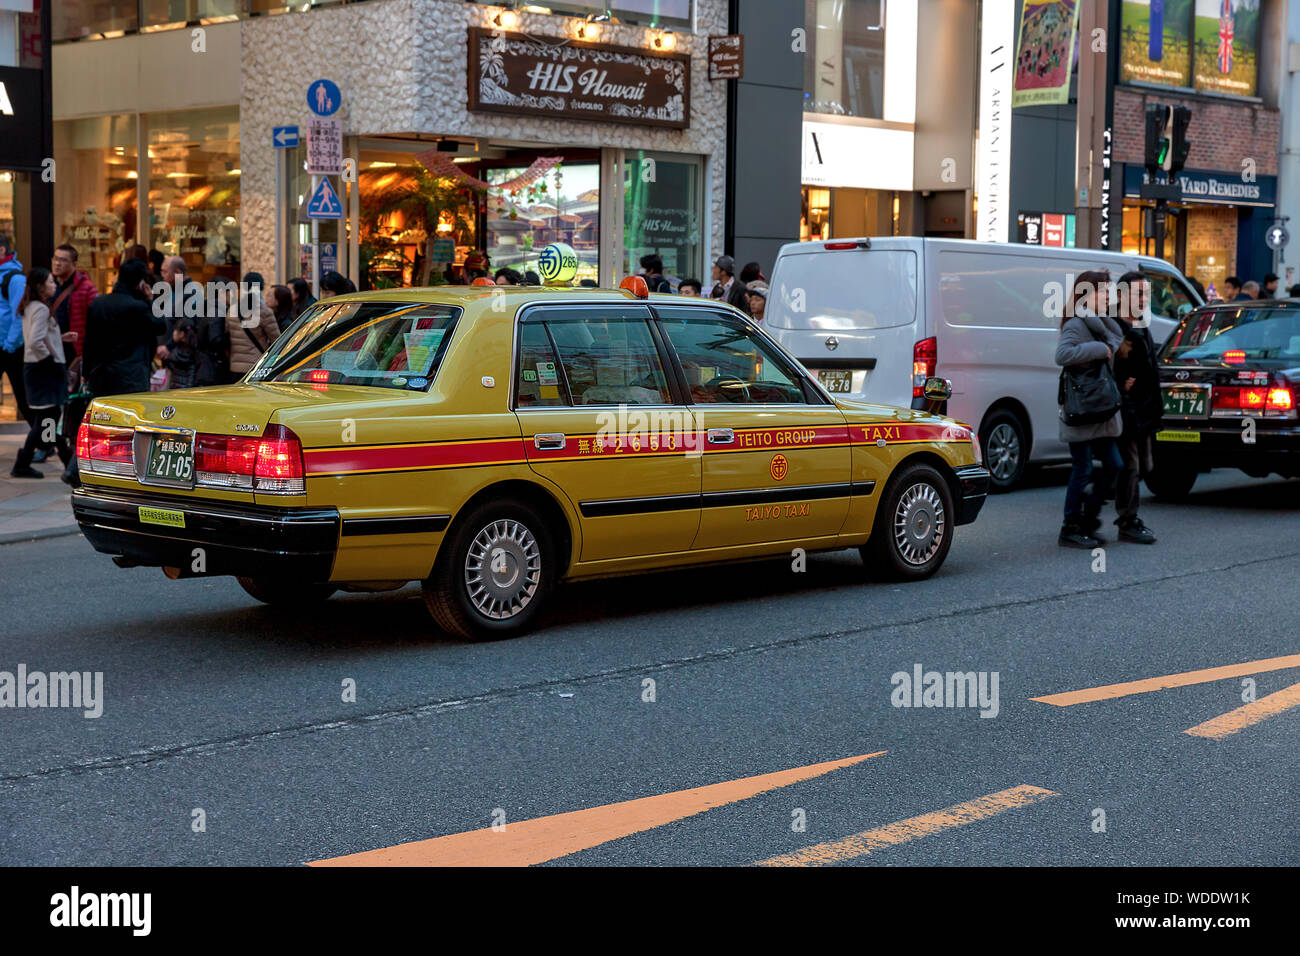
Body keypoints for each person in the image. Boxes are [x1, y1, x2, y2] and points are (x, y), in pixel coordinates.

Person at [1055, 270, 1124, 549]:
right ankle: (1070, 526)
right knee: (1082, 468)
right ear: (1087, 294)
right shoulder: (1076, 324)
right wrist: (1097, 349)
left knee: (1114, 465)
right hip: (1083, 407)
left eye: (1109, 291)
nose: (1109, 296)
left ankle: (1088, 517)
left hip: (1101, 406)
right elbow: (1062, 355)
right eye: (1104, 291)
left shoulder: (1102, 323)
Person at [1110, 272, 1160, 545]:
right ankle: (1127, 520)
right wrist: (1120, 386)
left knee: (1143, 466)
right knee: (1130, 465)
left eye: (1145, 295)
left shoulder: (1141, 324)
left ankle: (1125, 514)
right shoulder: (1114, 328)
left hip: (1143, 409)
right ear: (1121, 295)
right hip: (1123, 410)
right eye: (1138, 294)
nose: (1143, 300)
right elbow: (1105, 368)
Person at [11, 269, 75, 478]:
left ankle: (63, 461)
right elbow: (35, 341)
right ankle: (32, 462)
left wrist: (60, 337)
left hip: (36, 368)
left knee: (48, 418)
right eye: (50, 282)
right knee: (48, 418)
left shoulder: (32, 306)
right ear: (40, 286)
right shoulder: (41, 309)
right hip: (43, 370)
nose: (54, 284)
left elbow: (37, 336)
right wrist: (51, 362)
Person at [82, 258, 164, 397]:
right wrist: (150, 300)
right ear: (141, 283)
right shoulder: (138, 307)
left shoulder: (97, 304)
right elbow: (160, 326)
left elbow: (88, 342)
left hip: (100, 376)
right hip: (131, 379)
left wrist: (86, 373)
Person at [0, 234, 31, 425]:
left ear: (2, 250)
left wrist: (9, 345)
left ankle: (53, 441)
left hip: (11, 348)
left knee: (27, 401)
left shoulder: (16, 278)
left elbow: (18, 315)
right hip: (5, 346)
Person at [226, 272, 281, 378]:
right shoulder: (264, 311)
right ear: (261, 287)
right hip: (256, 366)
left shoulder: (231, 310)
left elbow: (227, 335)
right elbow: (277, 341)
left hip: (235, 366)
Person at [50, 244, 98, 364]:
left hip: (73, 350)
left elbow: (95, 320)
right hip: (49, 346)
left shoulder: (86, 287)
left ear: (74, 264)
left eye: (63, 260)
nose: (57, 263)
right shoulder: (46, 283)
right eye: (55, 258)